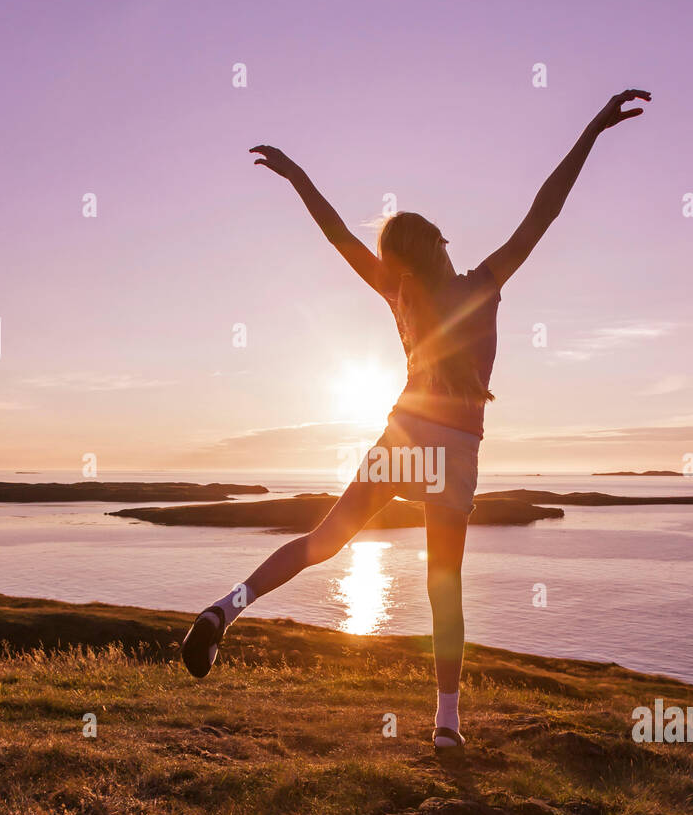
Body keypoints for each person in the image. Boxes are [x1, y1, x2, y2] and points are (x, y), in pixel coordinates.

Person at [181, 89, 651, 754]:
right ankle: (447, 724)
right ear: (439, 243)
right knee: (444, 587)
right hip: (457, 448)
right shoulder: (481, 285)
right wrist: (593, 131)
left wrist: (296, 177)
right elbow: (545, 210)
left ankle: (225, 609)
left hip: (404, 434)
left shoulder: (399, 296)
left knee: (323, 540)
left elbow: (339, 234)